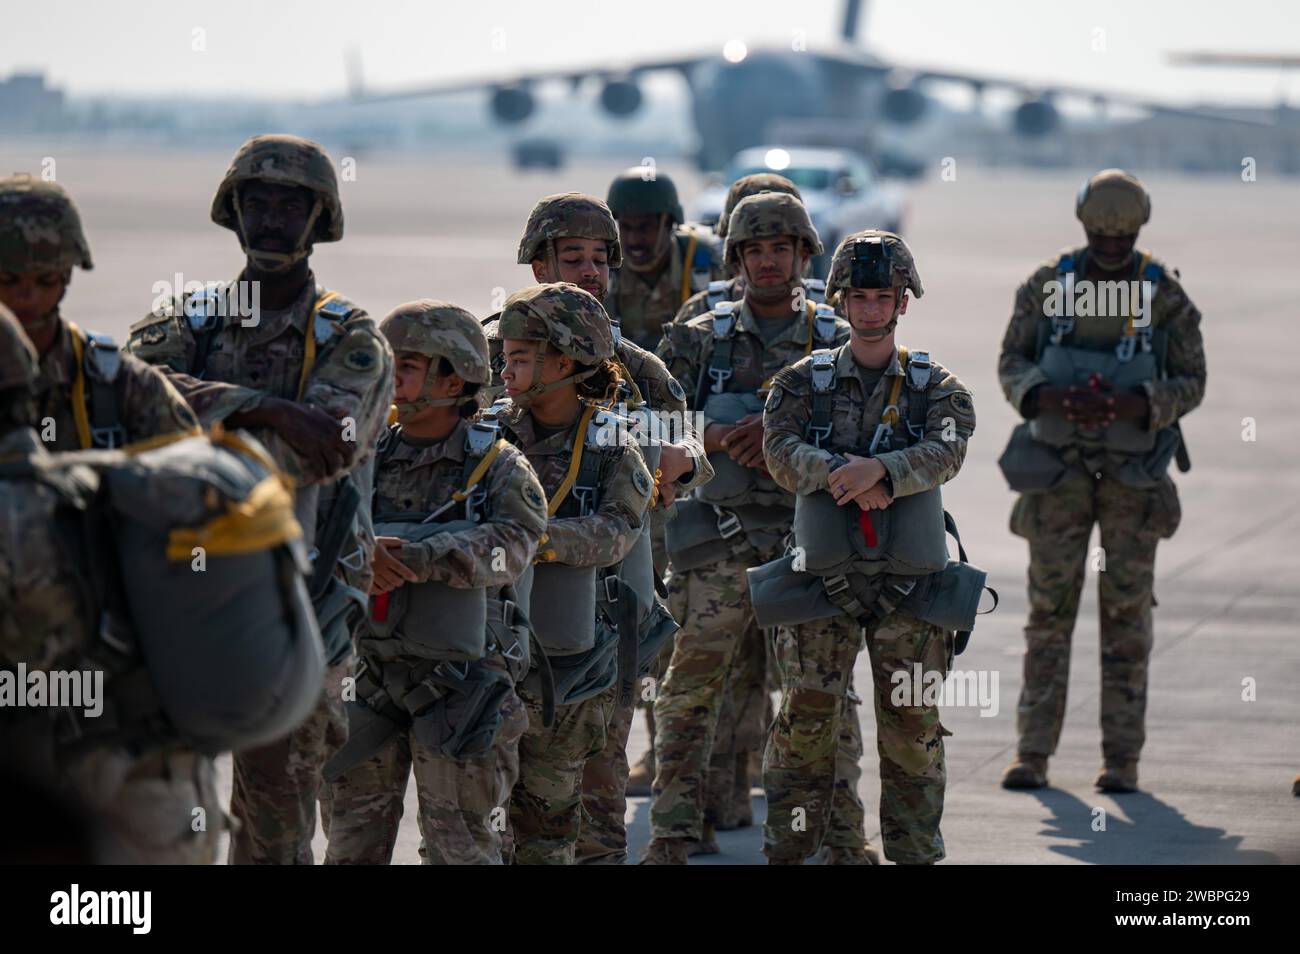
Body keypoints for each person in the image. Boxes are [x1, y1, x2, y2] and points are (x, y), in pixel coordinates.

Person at [126, 133, 395, 863]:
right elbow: (129, 409)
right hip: (178, 608)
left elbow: (319, 454)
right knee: (161, 821)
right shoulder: (185, 321)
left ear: (318, 220)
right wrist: (265, 406)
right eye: (258, 201)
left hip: (300, 612)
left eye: (290, 204)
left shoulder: (354, 341)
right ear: (233, 211)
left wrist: (200, 430)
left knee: (273, 827)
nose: (272, 217)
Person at [642, 192, 851, 863]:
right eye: (755, 249)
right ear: (735, 257)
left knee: (825, 697)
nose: (769, 261)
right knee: (689, 693)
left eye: (781, 248)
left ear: (803, 254)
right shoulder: (697, 333)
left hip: (808, 545)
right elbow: (644, 425)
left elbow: (871, 433)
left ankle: (830, 838)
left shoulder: (836, 338)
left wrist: (781, 432)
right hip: (715, 544)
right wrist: (710, 433)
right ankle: (675, 831)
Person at [761, 229, 976, 865]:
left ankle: (914, 854)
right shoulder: (802, 383)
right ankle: (791, 852)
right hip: (822, 580)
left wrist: (884, 473)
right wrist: (840, 474)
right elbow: (778, 447)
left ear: (903, 303)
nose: (873, 309)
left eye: (885, 296)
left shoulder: (935, 383)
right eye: (860, 297)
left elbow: (950, 446)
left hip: (909, 585)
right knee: (805, 727)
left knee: (912, 732)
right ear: (840, 302)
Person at [997, 169, 1205, 794]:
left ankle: (1121, 761)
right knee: (1047, 618)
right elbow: (1012, 360)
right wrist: (1045, 398)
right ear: (1083, 224)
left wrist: (1138, 404)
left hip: (1130, 479)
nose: (1111, 247)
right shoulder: (1046, 285)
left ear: (1139, 228)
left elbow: (1192, 381)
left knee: (1126, 619)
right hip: (1057, 475)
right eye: (1100, 235)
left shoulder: (1162, 294)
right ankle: (1032, 754)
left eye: (1123, 238)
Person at [324, 301, 547, 864]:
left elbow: (517, 546)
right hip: (366, 677)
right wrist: (358, 557)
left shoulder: (497, 465)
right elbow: (311, 535)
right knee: (350, 844)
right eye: (389, 363)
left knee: (462, 849)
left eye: (408, 365)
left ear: (453, 376)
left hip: (462, 686)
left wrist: (421, 557)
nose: (391, 376)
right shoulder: (361, 455)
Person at [495, 282, 653, 864]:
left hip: (573, 667)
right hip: (490, 653)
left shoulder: (613, 443)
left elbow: (616, 532)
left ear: (563, 362)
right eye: (505, 356)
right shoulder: (490, 434)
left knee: (547, 827)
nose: (505, 370)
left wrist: (535, 540)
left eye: (519, 358)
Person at [603, 168, 723, 350]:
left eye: (645, 228)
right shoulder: (603, 270)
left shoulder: (706, 264)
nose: (634, 239)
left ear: (668, 224)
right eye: (626, 228)